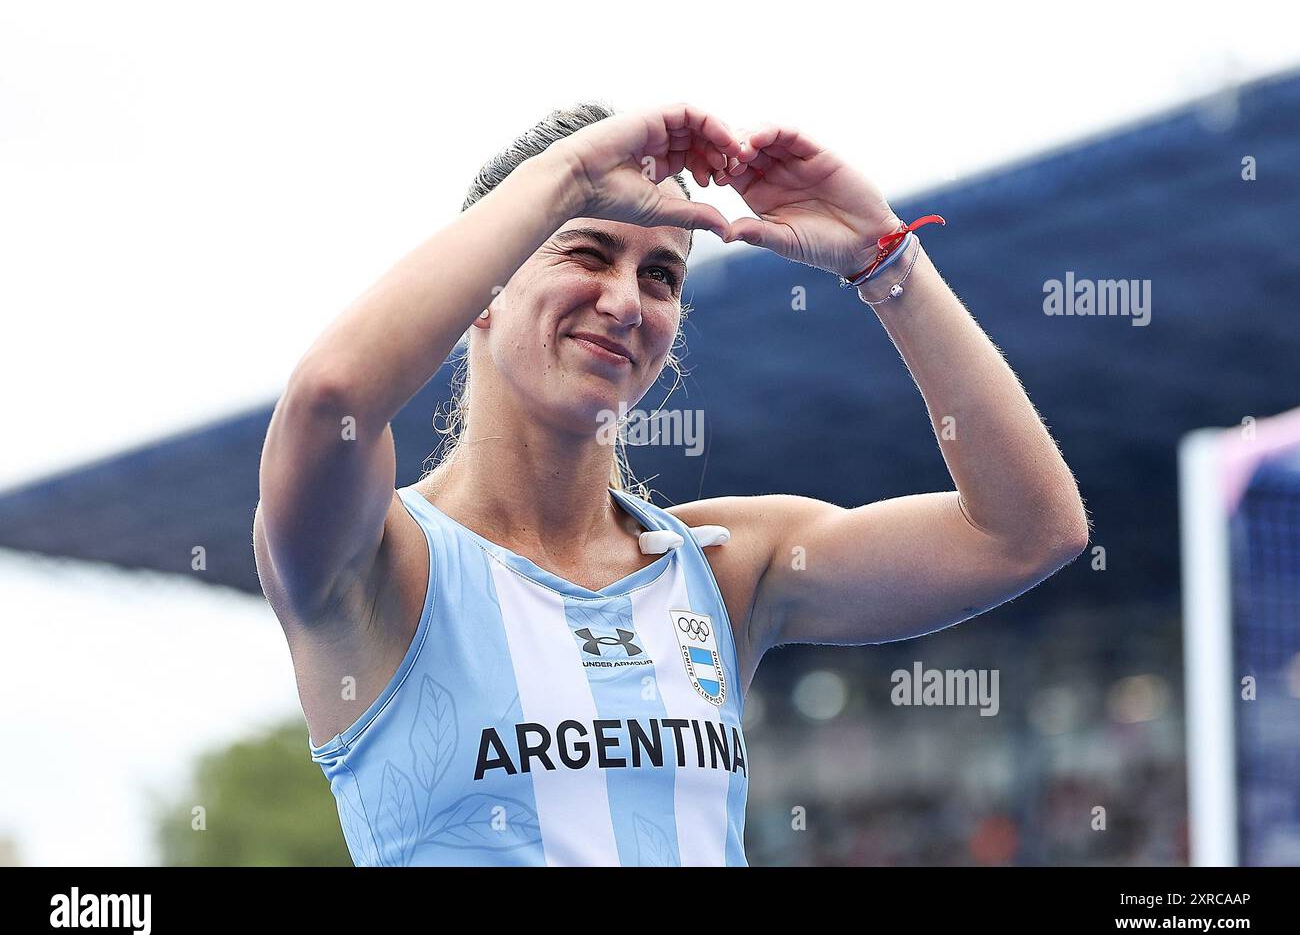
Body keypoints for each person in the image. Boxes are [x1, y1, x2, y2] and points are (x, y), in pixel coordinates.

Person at [252, 101, 1089, 866]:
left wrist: (886, 260)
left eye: (661, 275)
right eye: (588, 250)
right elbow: (331, 398)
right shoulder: (378, 566)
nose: (625, 301)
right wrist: (568, 176)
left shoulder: (723, 567)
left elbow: (1027, 531)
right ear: (483, 292)